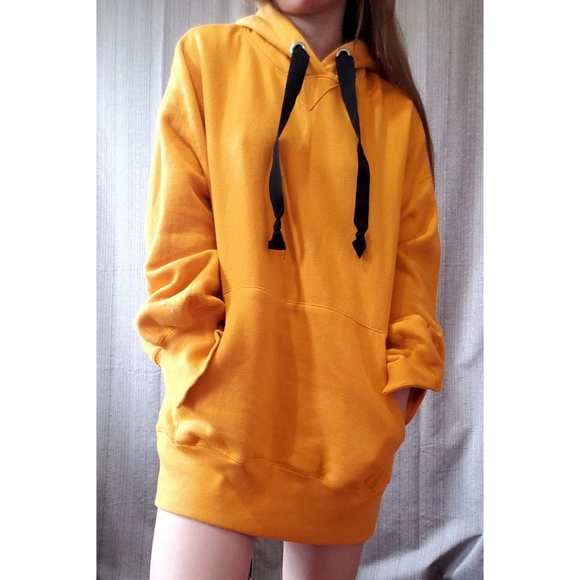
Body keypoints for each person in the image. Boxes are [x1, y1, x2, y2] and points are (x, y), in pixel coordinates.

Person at [133, 0, 445, 578]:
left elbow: (414, 288)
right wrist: (199, 372)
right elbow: (177, 246)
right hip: (217, 428)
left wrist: (384, 409)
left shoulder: (397, 114)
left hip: (346, 448)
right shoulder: (207, 58)